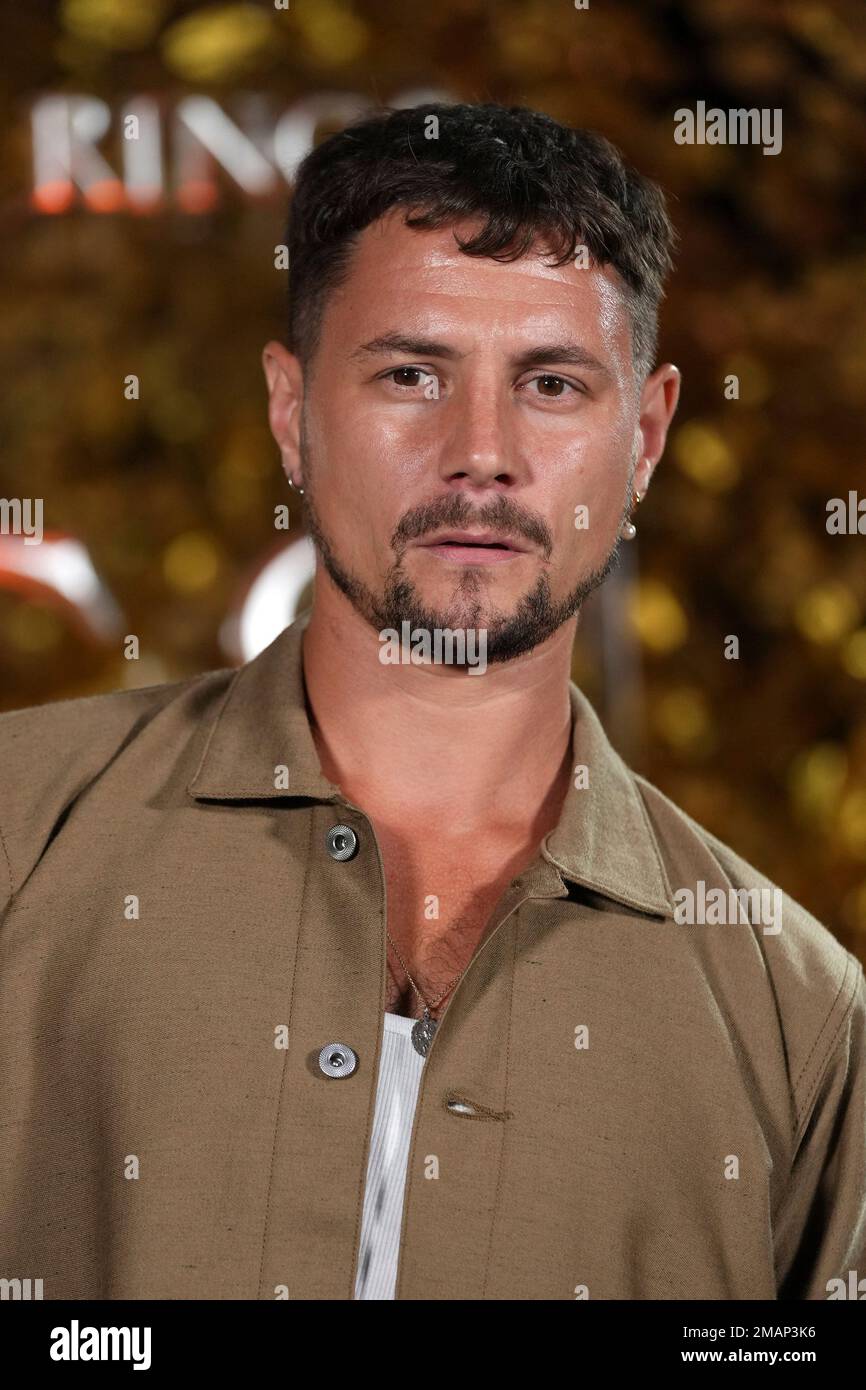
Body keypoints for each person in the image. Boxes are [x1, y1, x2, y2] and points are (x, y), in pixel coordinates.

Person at [1, 102, 863, 1302]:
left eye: (552, 384)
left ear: (646, 436)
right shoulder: (19, 835)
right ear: (291, 411)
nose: (481, 451)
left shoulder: (794, 1011)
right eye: (411, 372)